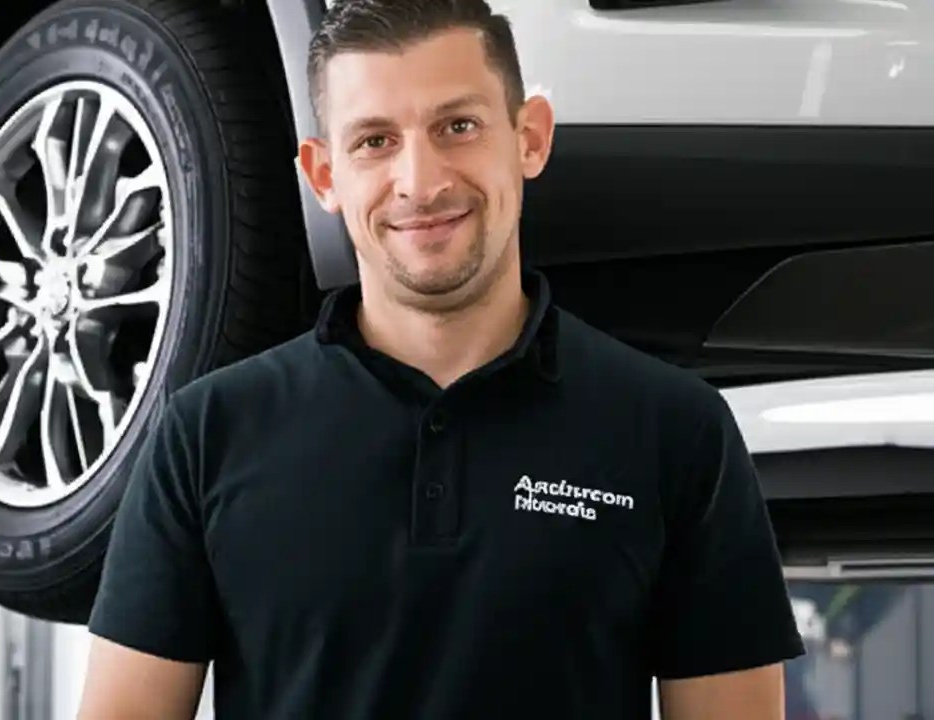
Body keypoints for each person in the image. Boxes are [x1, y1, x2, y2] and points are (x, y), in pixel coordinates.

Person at [76, 0, 805, 717]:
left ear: (530, 138)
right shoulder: (207, 434)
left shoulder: (676, 430)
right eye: (374, 140)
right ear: (323, 175)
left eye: (458, 127)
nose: (421, 183)